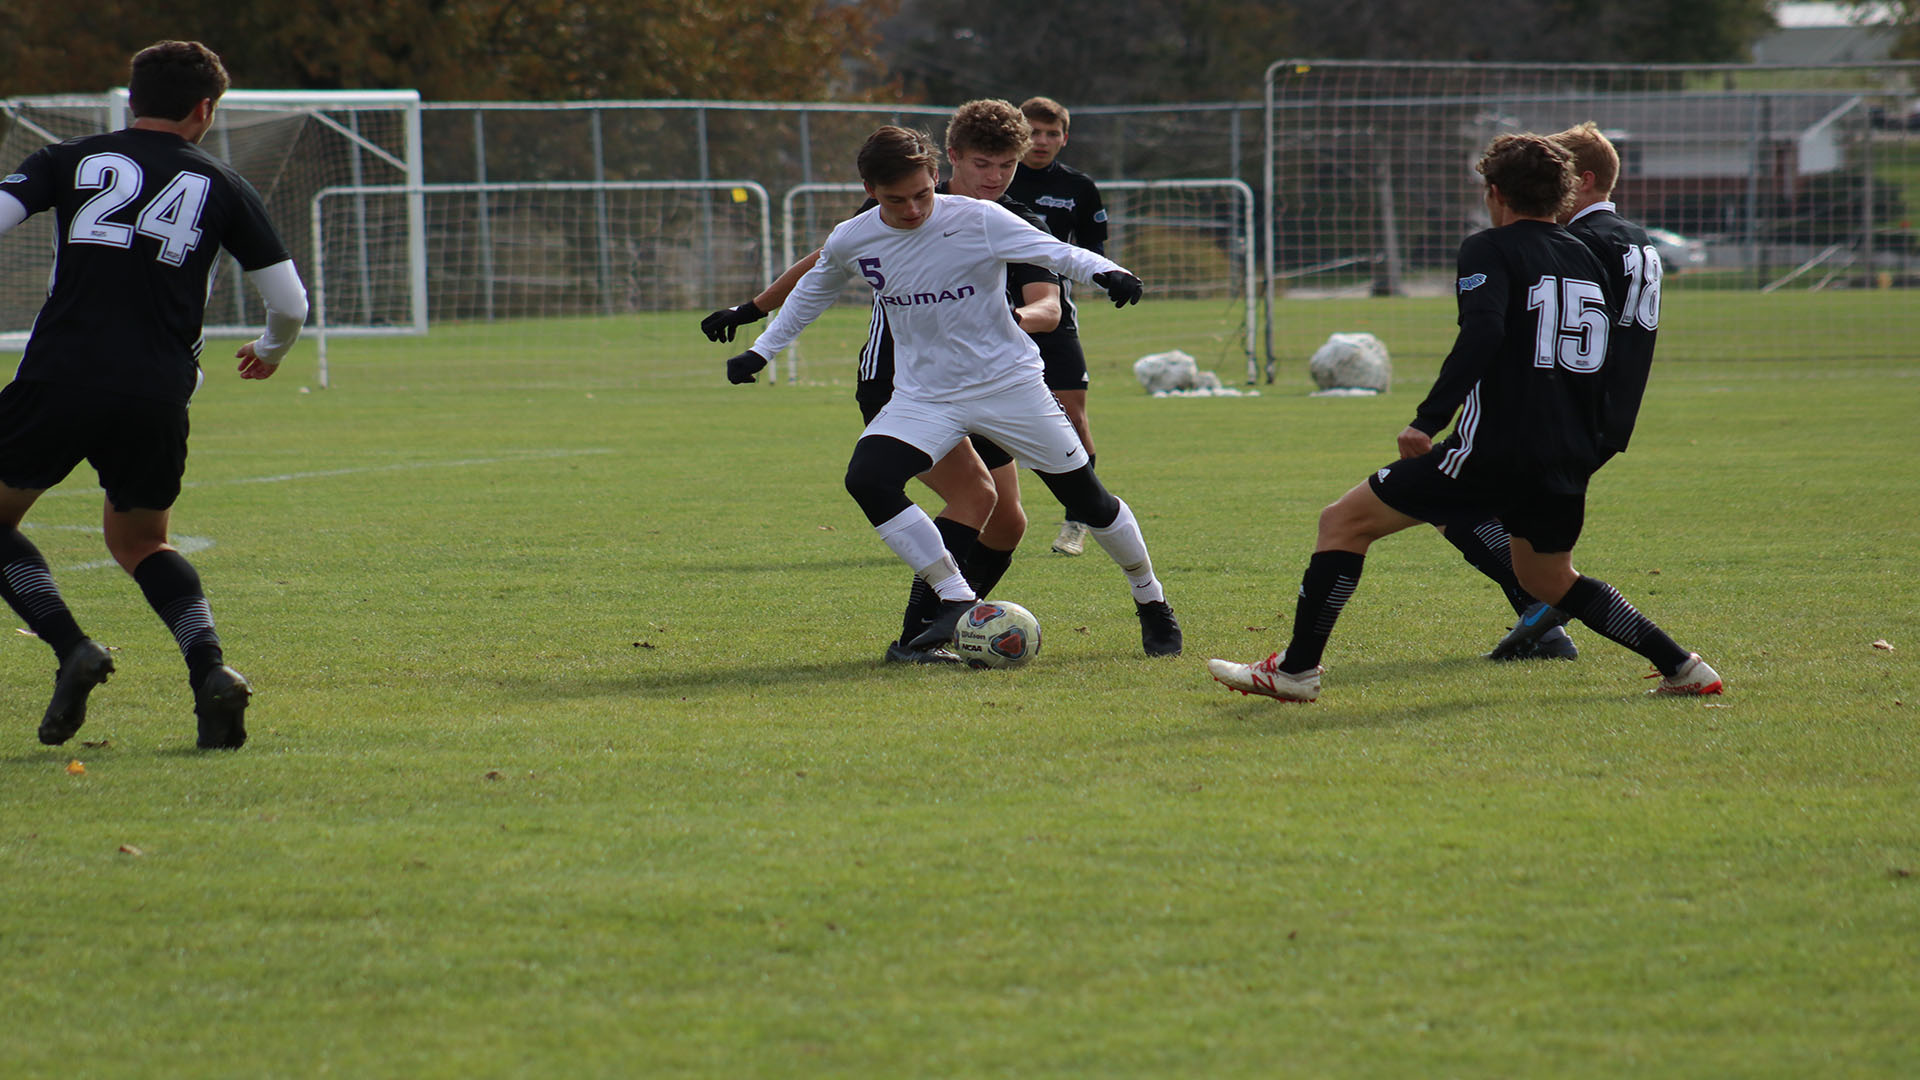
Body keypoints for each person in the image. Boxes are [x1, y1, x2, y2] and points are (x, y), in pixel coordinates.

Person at [1206, 133, 1719, 702]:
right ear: (1564, 190)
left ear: (1494, 193)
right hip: (1568, 450)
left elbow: (1483, 331)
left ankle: (1296, 671)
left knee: (1342, 522)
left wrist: (1427, 421)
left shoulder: (1489, 247)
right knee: (1547, 578)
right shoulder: (1587, 256)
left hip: (1497, 447)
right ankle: (1683, 666)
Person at [722, 124, 1182, 658]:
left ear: (935, 176)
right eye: (897, 200)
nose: (914, 210)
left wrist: (1111, 272)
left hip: (1009, 386)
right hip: (925, 396)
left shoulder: (980, 219)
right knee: (868, 480)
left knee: (1090, 502)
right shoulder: (855, 236)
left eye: (921, 194)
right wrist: (762, 350)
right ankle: (955, 599)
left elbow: (1056, 253)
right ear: (870, 190)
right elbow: (813, 291)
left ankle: (1151, 601)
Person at [0, 41, 308, 749]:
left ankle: (71, 645)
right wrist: (269, 351)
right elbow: (289, 303)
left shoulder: (67, 159)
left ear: (131, 99)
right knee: (142, 541)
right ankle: (210, 672)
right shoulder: (224, 183)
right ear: (204, 110)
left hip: (61, 375)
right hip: (159, 390)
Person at [703, 99, 1062, 663]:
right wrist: (752, 311)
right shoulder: (897, 198)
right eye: (981, 164)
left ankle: (951, 625)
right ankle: (922, 634)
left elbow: (1048, 301)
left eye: (1006, 165)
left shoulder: (1006, 220)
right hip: (902, 383)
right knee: (975, 497)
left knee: (1008, 522)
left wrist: (1014, 325)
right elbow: (824, 263)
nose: (993, 177)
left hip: (985, 381)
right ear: (950, 163)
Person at [1455, 120, 1669, 662]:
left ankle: (1545, 611)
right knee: (1507, 519)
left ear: (1586, 179)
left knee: (1455, 501)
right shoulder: (1638, 240)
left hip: (1567, 414)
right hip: (1607, 417)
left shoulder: (1579, 244)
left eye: (1563, 179)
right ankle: (1544, 623)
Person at [1005, 97, 1109, 558]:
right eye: (1034, 132)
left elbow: (1091, 252)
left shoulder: (1078, 187)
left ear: (1064, 137)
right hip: (980, 316)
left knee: (1072, 414)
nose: (1042, 141)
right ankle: (993, 510)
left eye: (1052, 133)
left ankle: (1077, 519)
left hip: (1052, 315)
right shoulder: (994, 179)